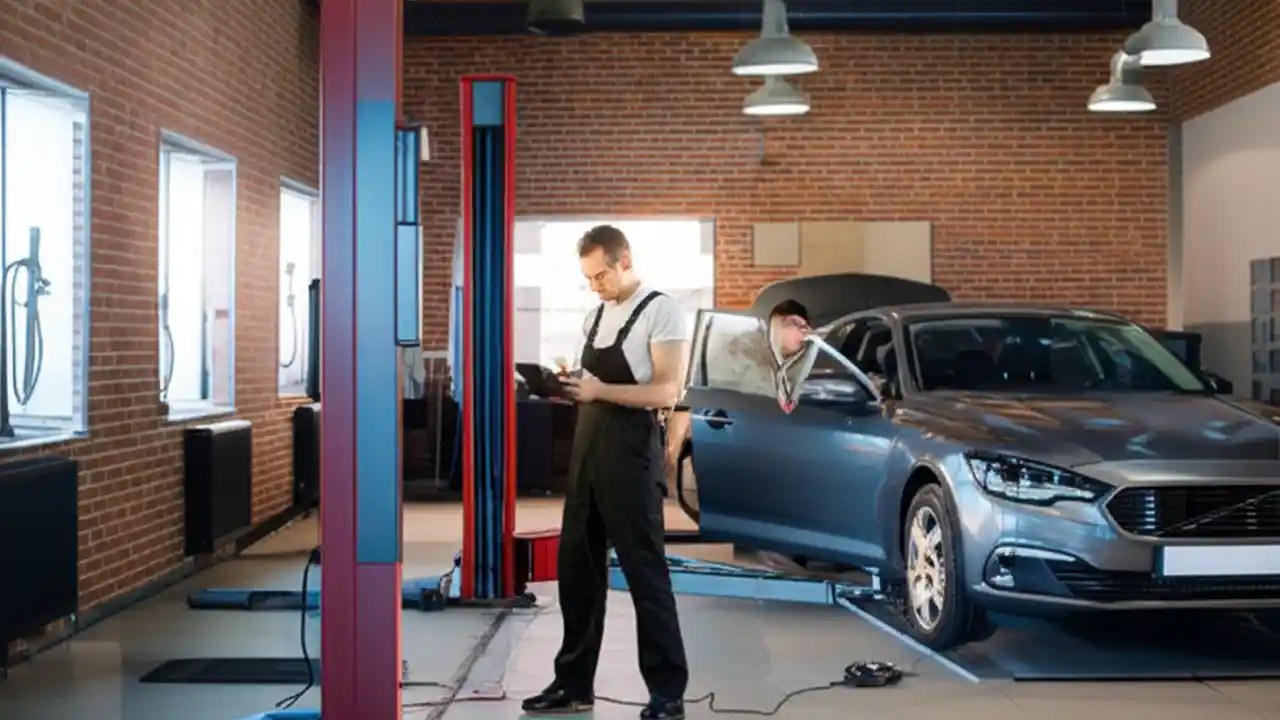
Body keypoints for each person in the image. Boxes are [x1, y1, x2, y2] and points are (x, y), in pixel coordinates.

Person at [521, 225, 690, 720]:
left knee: (645, 573)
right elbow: (591, 382)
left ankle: (667, 693)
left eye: (600, 276)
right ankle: (573, 684)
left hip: (631, 453)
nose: (595, 286)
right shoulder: (594, 316)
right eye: (588, 278)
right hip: (588, 449)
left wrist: (599, 392)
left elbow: (667, 391)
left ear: (625, 261)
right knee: (578, 570)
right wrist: (568, 383)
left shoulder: (661, 310)